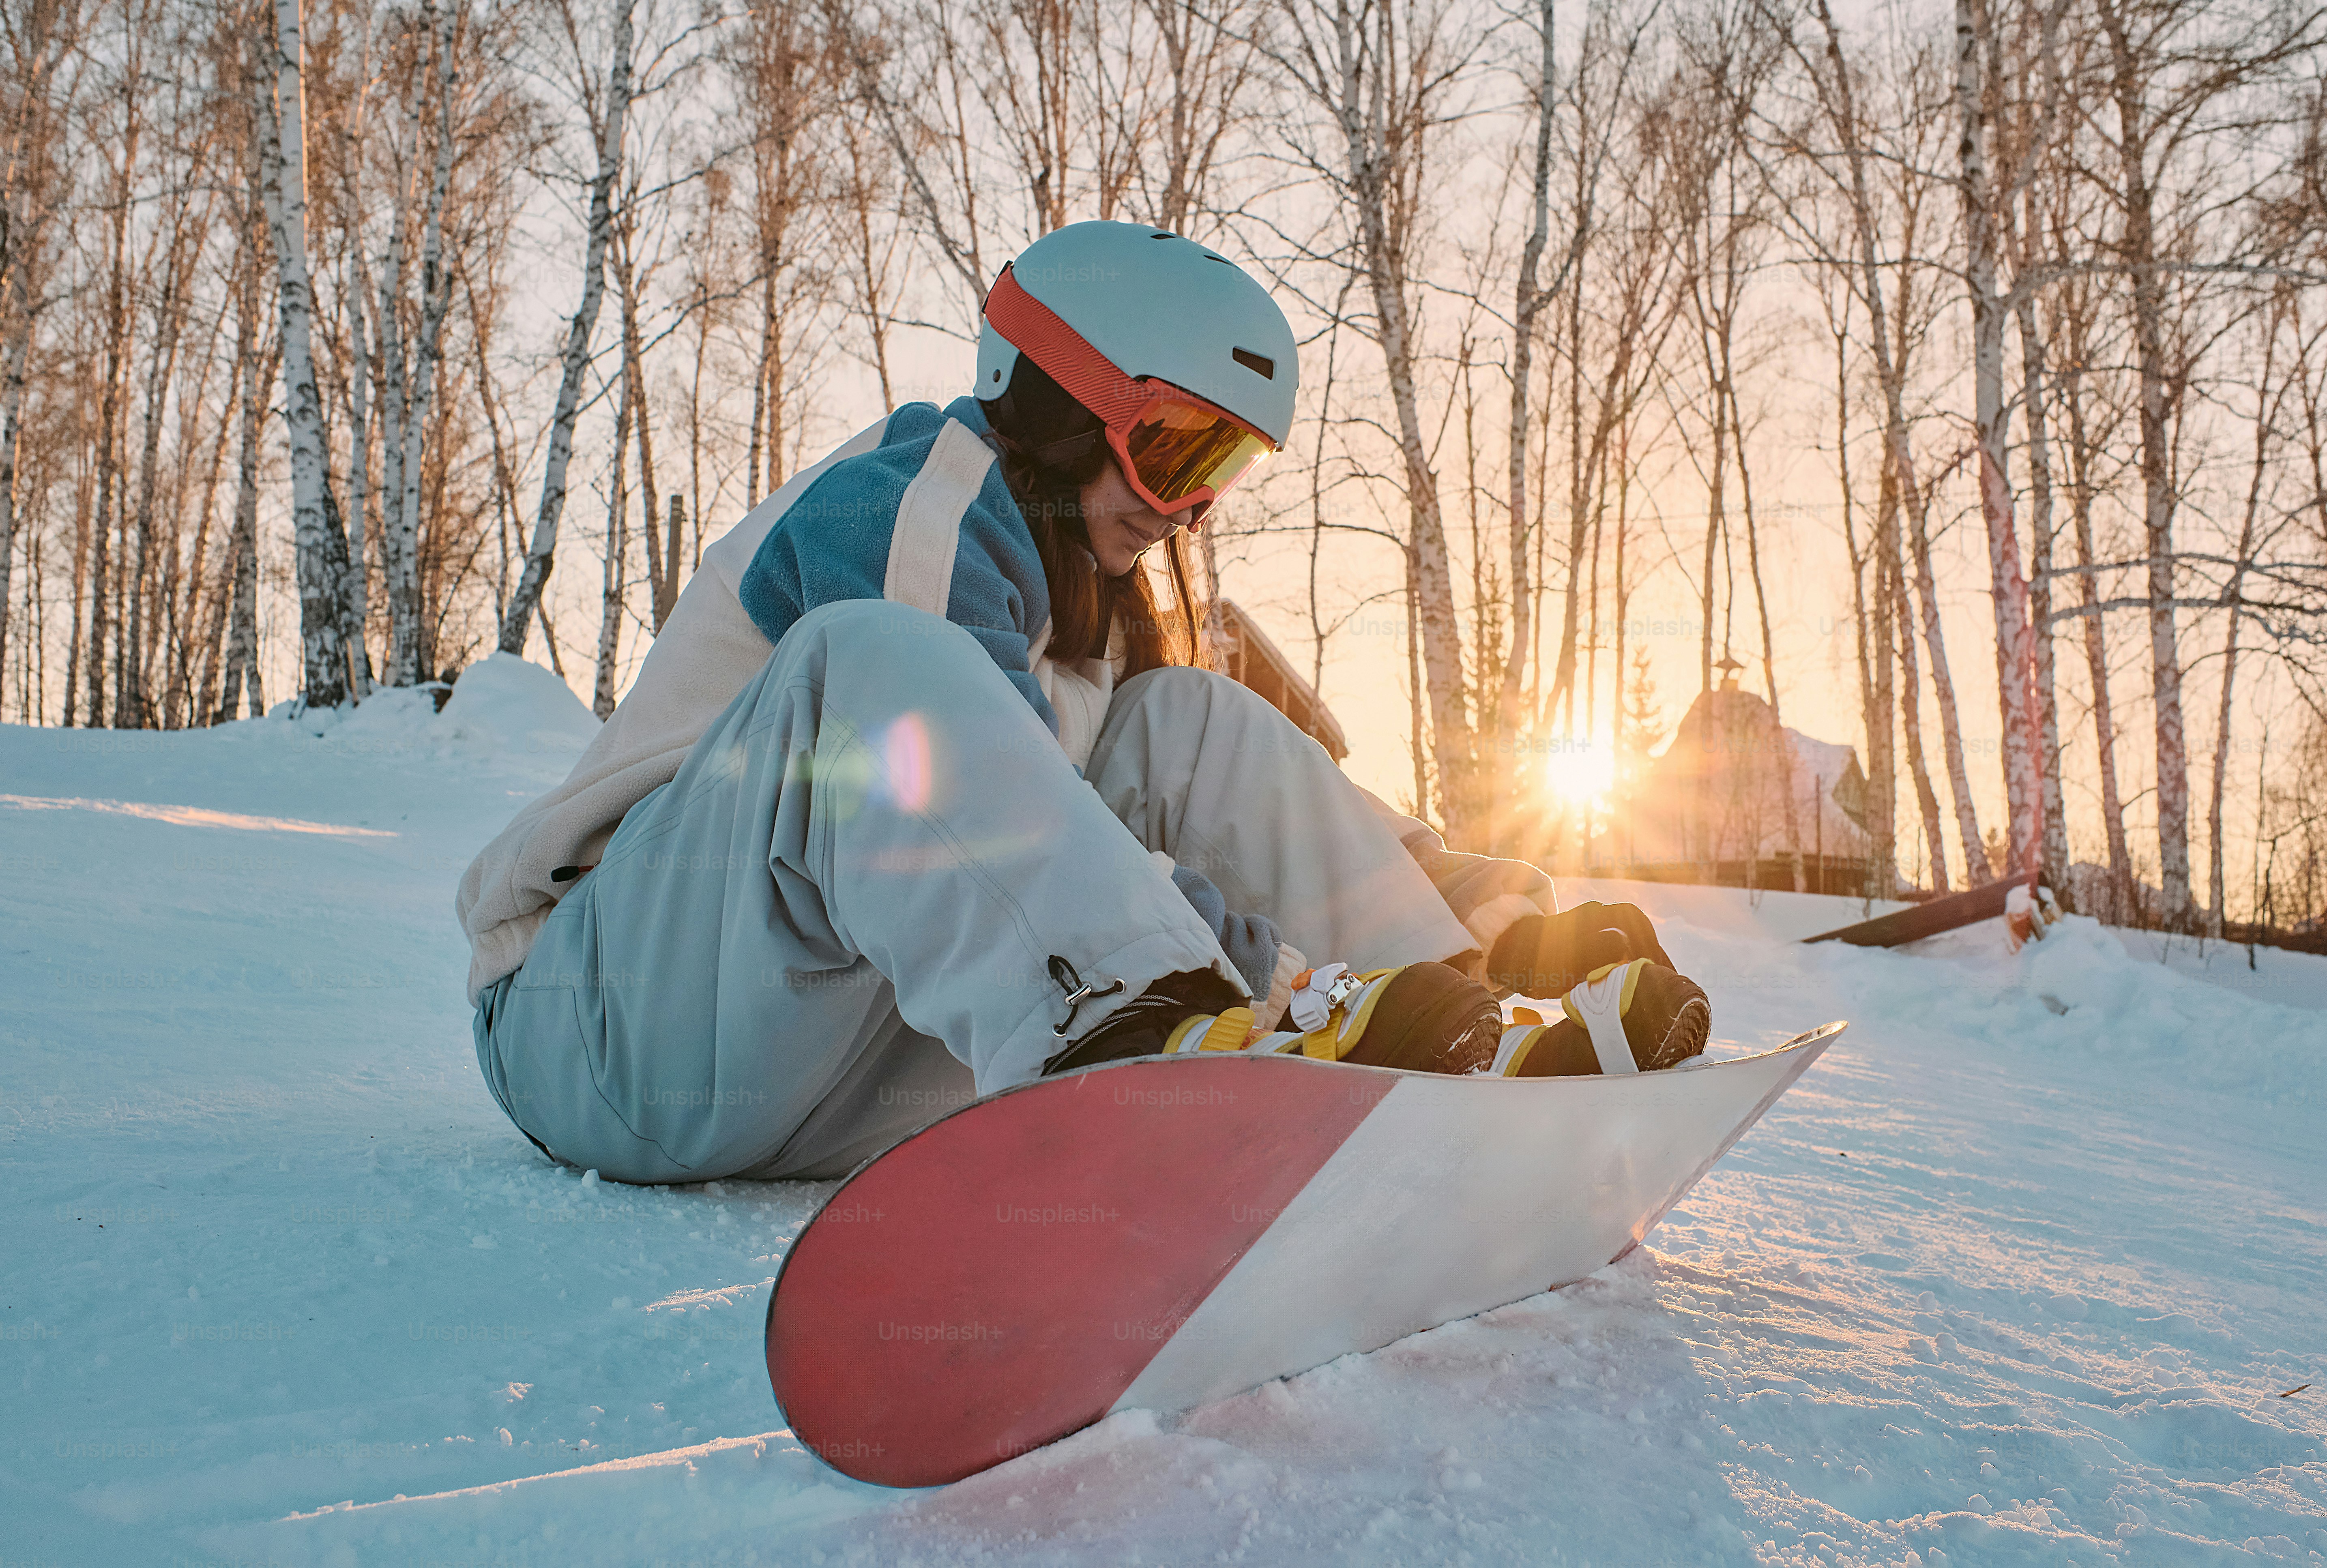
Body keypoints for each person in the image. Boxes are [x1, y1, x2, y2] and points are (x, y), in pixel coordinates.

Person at [455, 221, 1710, 1187]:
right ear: (1062, 399)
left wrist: (1479, 924)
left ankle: (1484, 1007)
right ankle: (1156, 1054)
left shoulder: (1085, 603)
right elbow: (997, 828)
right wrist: (1269, 995)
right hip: (609, 1024)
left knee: (1186, 723)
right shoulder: (912, 516)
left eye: (1217, 474)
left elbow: (1207, 807)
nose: (1179, 510)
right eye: (1172, 451)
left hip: (817, 1060)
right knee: (868, 662)